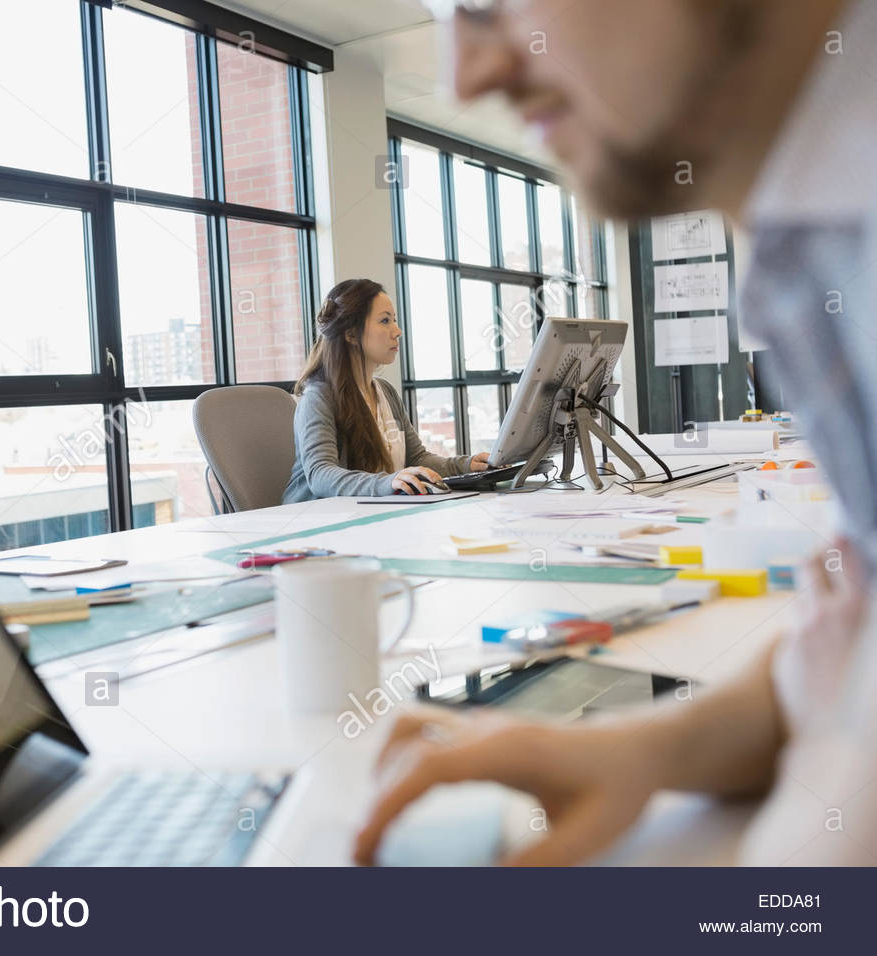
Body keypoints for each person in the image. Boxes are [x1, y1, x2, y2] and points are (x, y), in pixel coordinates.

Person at [356, 0, 877, 865]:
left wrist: (831, 767)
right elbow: (843, 643)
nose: (466, 74)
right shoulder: (818, 248)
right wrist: (634, 753)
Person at [283, 278, 489, 502]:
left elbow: (417, 458)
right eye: (384, 321)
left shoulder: (385, 392)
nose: (397, 331)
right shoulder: (319, 396)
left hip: (371, 513)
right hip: (317, 521)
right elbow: (320, 475)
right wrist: (386, 482)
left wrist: (468, 465)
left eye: (394, 320)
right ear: (350, 334)